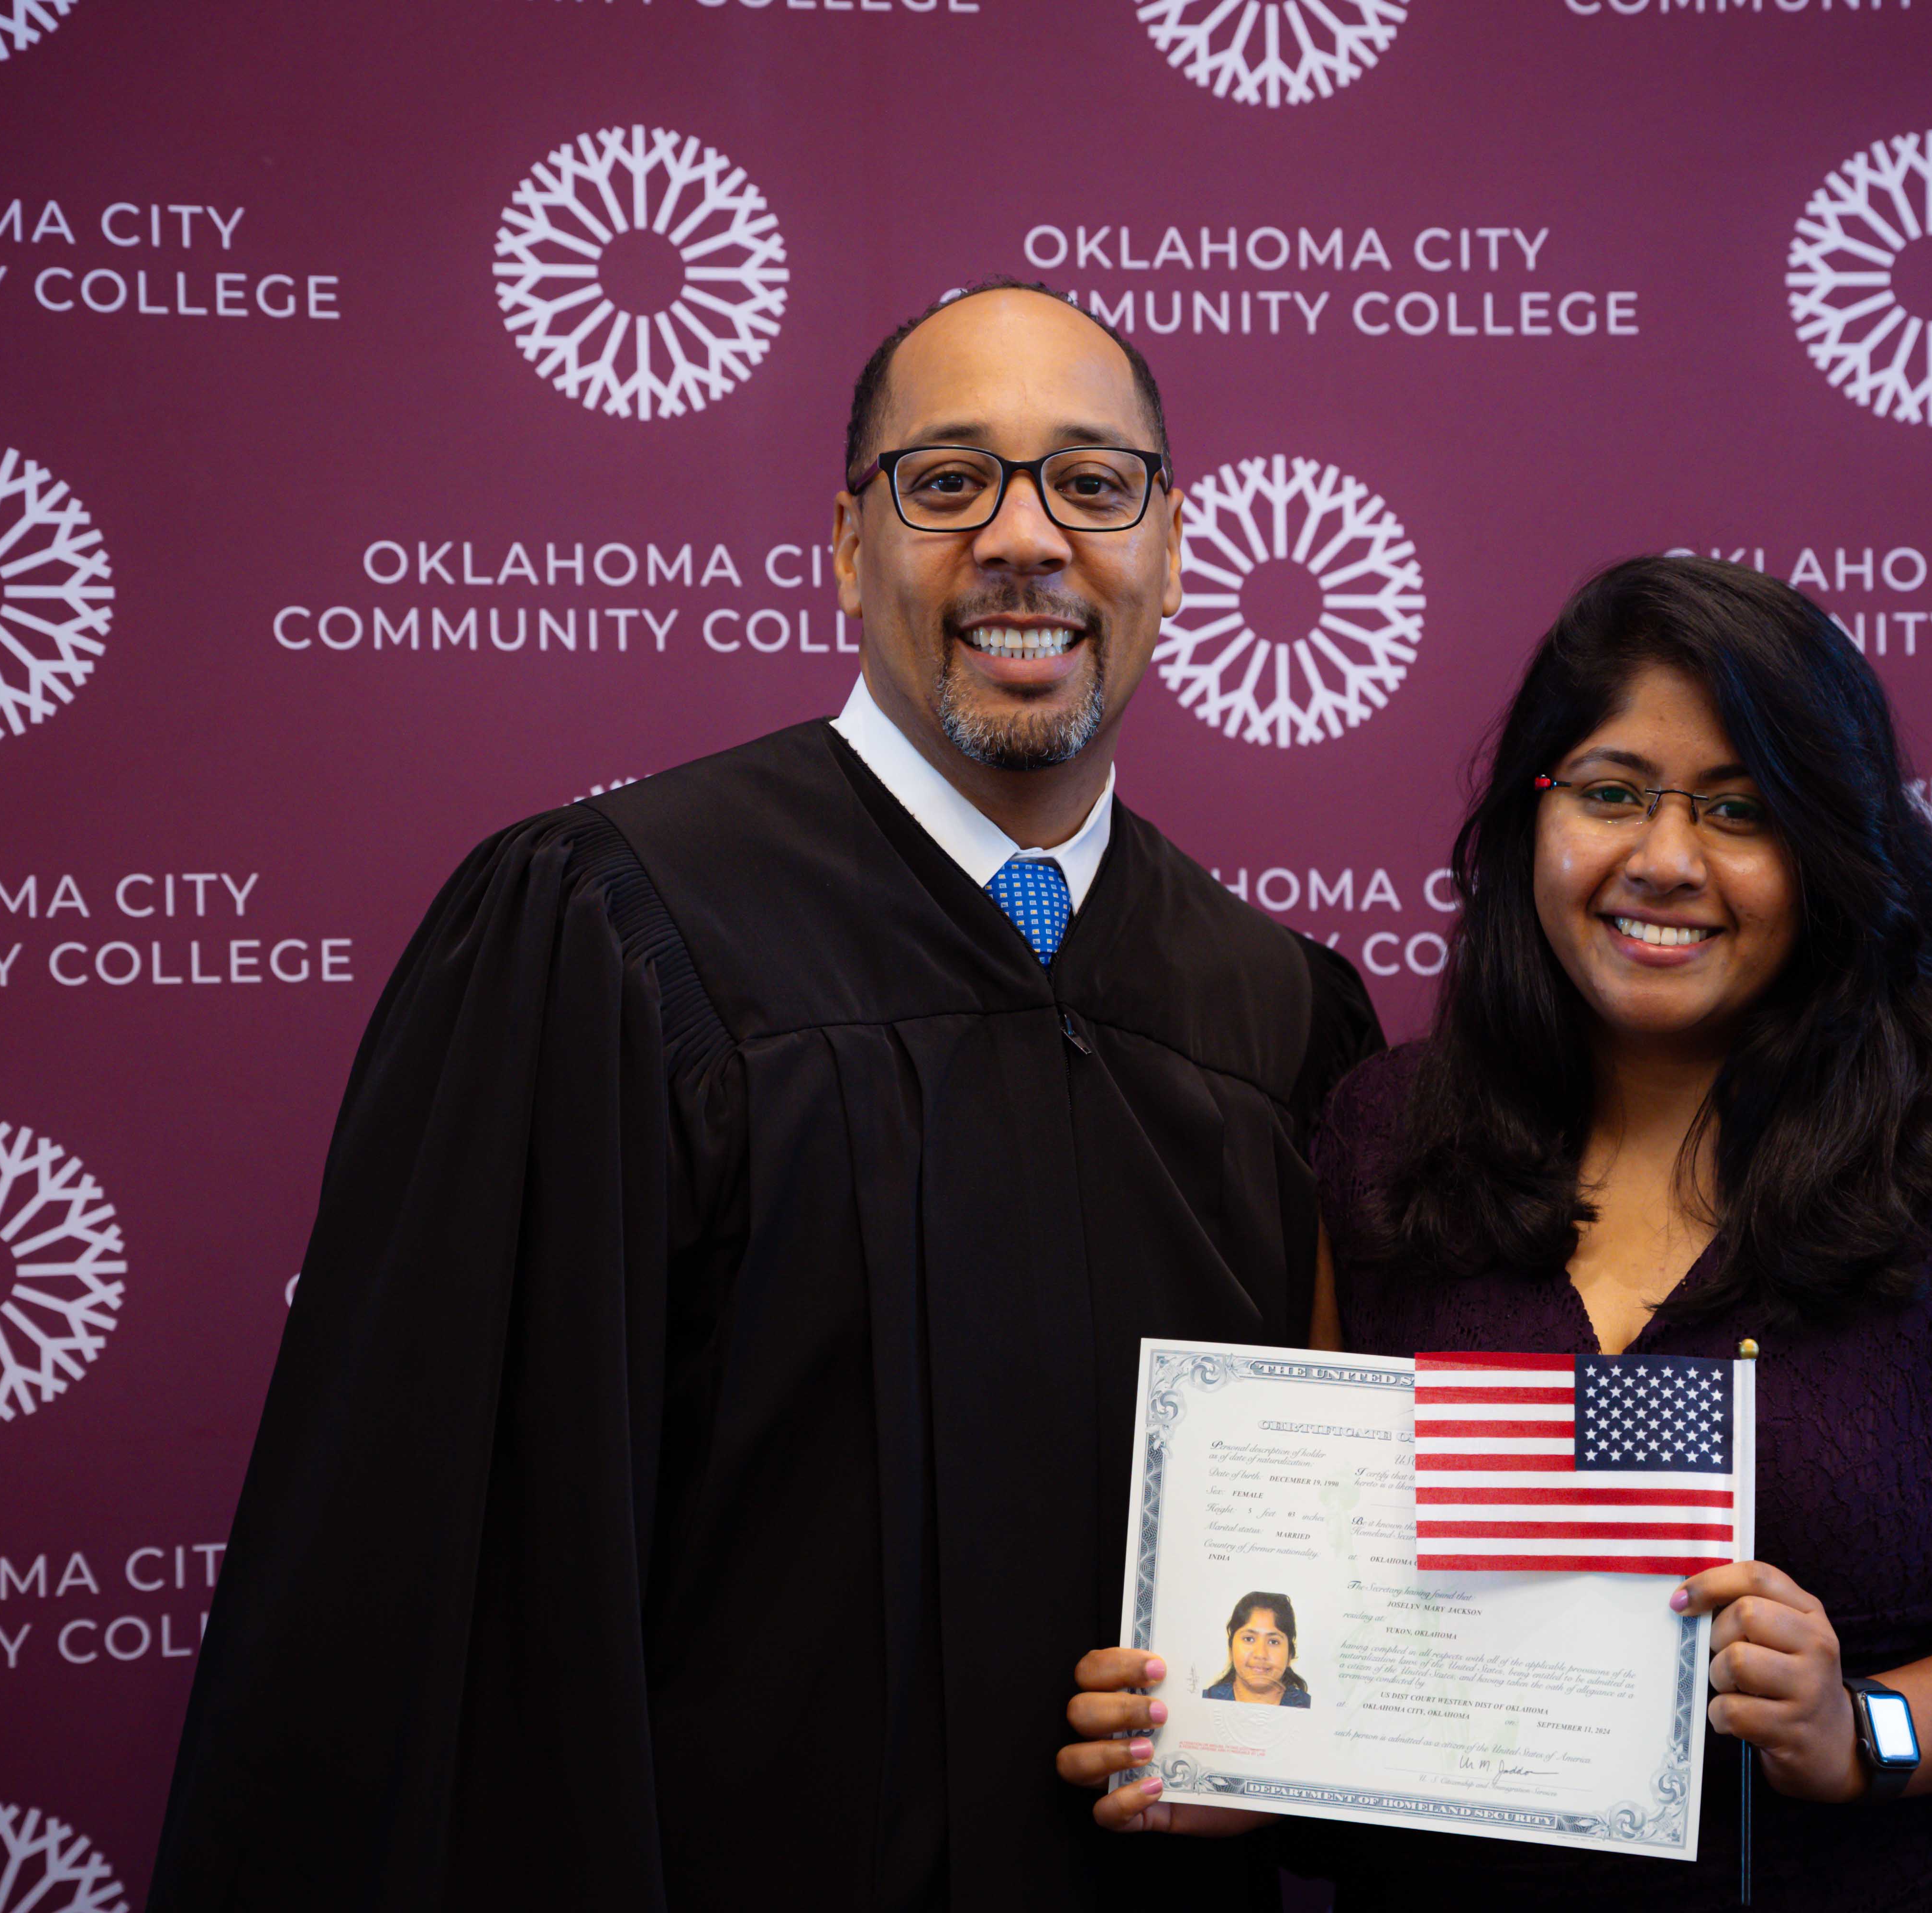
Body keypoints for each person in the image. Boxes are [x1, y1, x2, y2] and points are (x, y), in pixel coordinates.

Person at [150, 280, 1380, 1913]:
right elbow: (439, 1606)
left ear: (1170, 543)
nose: (1026, 539)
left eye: (1094, 483)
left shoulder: (1276, 1013)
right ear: (846, 546)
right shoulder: (610, 930)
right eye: (947, 483)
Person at [1059, 556, 1932, 1909]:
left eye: (1742, 810)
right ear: (1531, 817)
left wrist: (1868, 1731)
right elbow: (1329, 1566)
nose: (1665, 862)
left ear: (1831, 852)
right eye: (1612, 793)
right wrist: (1223, 1743)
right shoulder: (1385, 1137)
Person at [1203, 1594, 1311, 1706]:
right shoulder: (1205, 1703)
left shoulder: (1310, 1708)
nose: (1261, 1654)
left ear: (1290, 1655)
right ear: (1231, 1649)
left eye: (1273, 1642)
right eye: (1249, 1639)